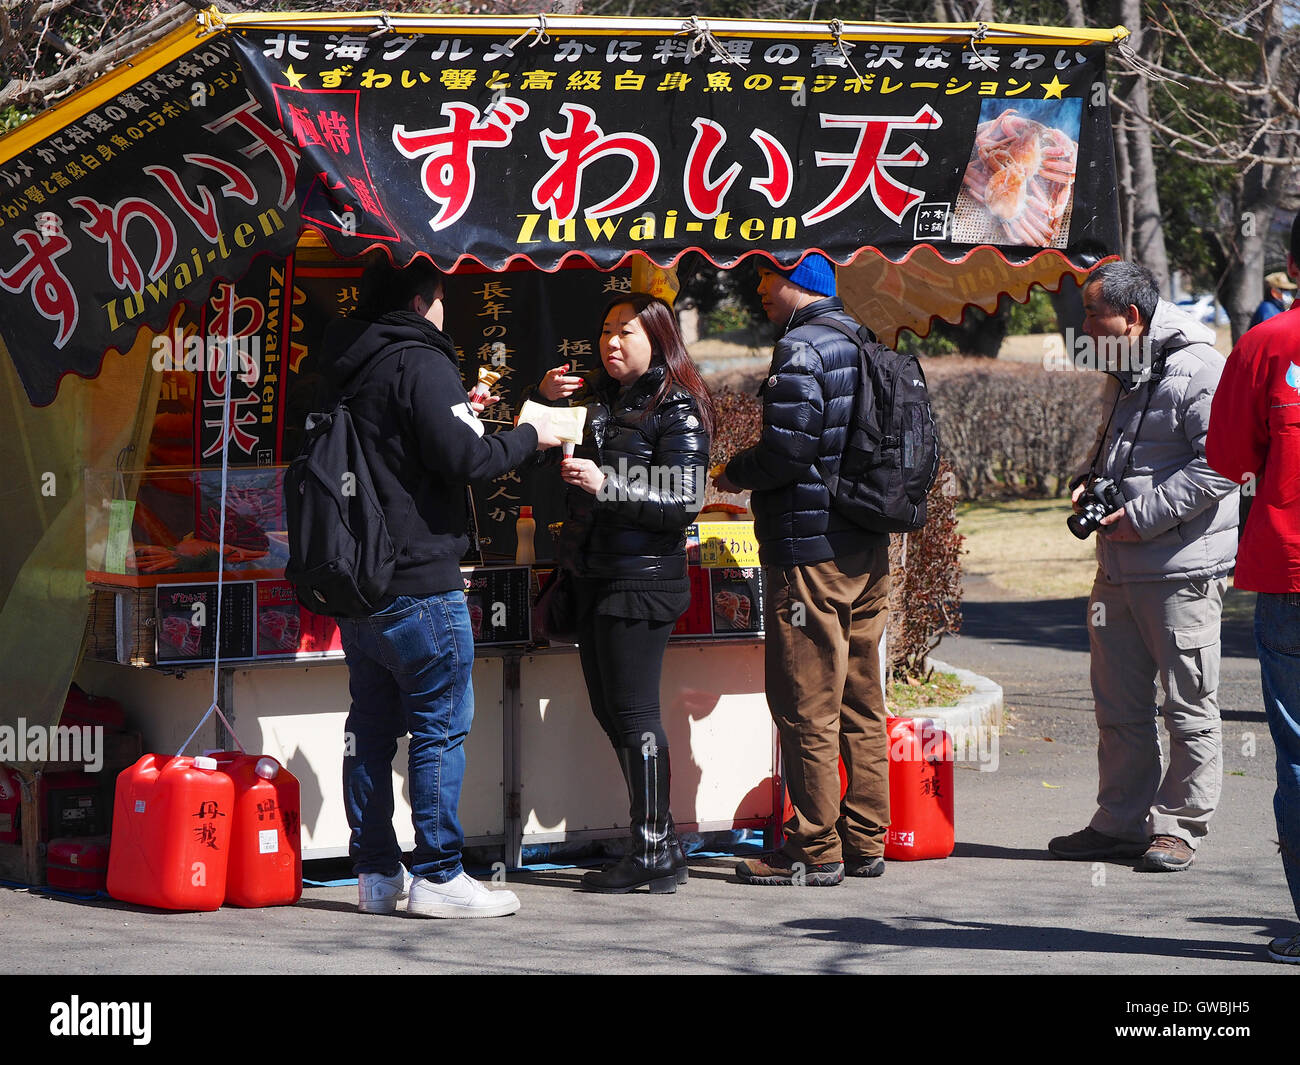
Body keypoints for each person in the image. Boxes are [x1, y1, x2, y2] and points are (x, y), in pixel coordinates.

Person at [321, 255, 560, 917]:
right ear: (424, 298)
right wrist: (531, 433)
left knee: (370, 730)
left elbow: (410, 445)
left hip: (359, 581)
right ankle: (439, 872)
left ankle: (374, 873)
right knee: (438, 729)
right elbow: (466, 459)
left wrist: (463, 415)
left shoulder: (349, 358)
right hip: (421, 580)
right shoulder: (419, 358)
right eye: (444, 297)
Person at [1048, 261, 1238, 871]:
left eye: (1091, 313)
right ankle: (1120, 823)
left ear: (1130, 317)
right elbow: (1119, 455)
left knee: (1188, 703)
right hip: (1119, 567)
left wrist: (1144, 514)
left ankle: (1180, 825)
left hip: (1182, 567)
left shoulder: (1200, 369)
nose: (1083, 325)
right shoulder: (1127, 372)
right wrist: (1089, 484)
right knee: (1118, 706)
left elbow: (1224, 463)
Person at [712, 253, 891, 887]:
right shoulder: (864, 342)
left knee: (806, 700)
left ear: (800, 284)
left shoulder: (801, 349)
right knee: (862, 700)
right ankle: (867, 841)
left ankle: (816, 850)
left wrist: (732, 473)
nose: (759, 288)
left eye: (768, 278)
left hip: (809, 552)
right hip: (869, 548)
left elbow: (788, 450)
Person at [534, 292, 713, 894]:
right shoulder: (604, 405)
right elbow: (538, 456)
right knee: (612, 711)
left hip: (642, 581)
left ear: (658, 338)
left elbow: (684, 501)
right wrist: (546, 405)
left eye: (625, 331)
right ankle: (652, 838)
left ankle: (655, 848)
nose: (611, 341)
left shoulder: (677, 408)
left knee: (634, 711)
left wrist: (608, 484)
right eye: (606, 330)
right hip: (595, 574)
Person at [1206, 215, 1300, 961]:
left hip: (1289, 576)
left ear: (1292, 266)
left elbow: (1231, 454)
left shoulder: (1266, 345)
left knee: (1299, 758)